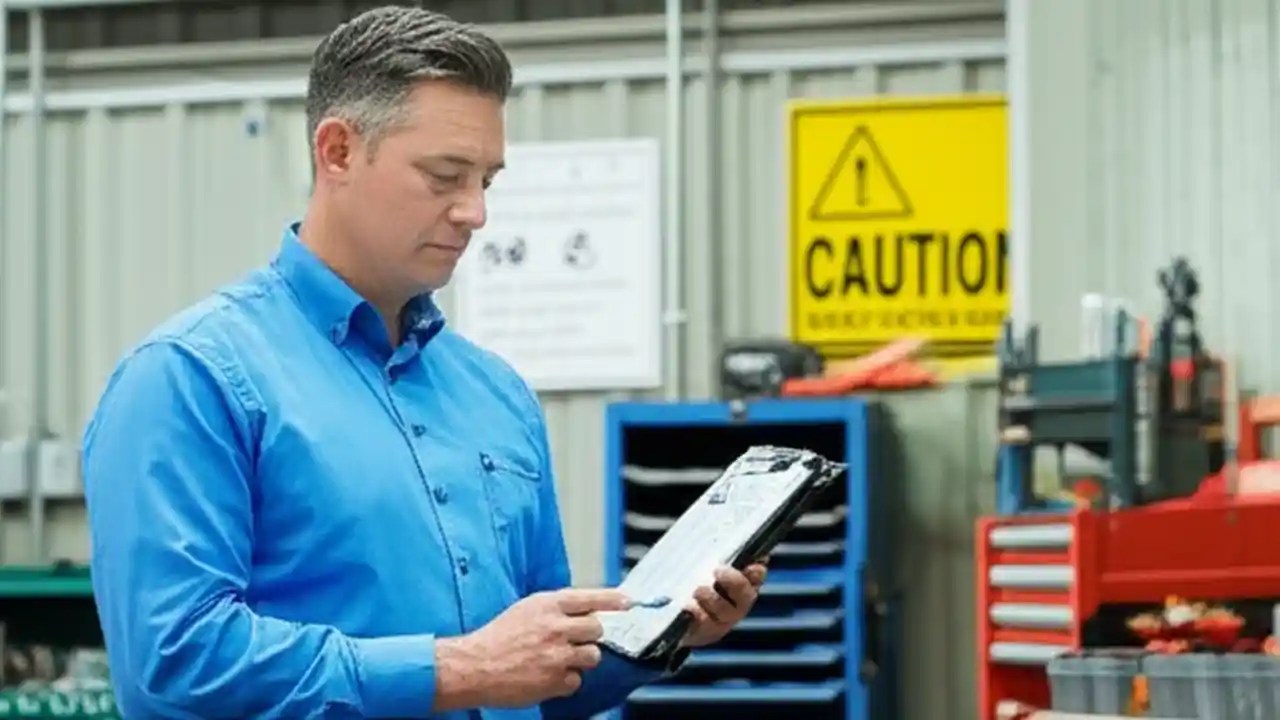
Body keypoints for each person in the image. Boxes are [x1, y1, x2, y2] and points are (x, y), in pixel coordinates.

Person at [81, 5, 767, 720]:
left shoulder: (496, 396)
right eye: (445, 176)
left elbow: (534, 680)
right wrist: (457, 668)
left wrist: (664, 633)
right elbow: (175, 658)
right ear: (338, 151)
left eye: (486, 181)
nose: (475, 213)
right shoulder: (189, 379)